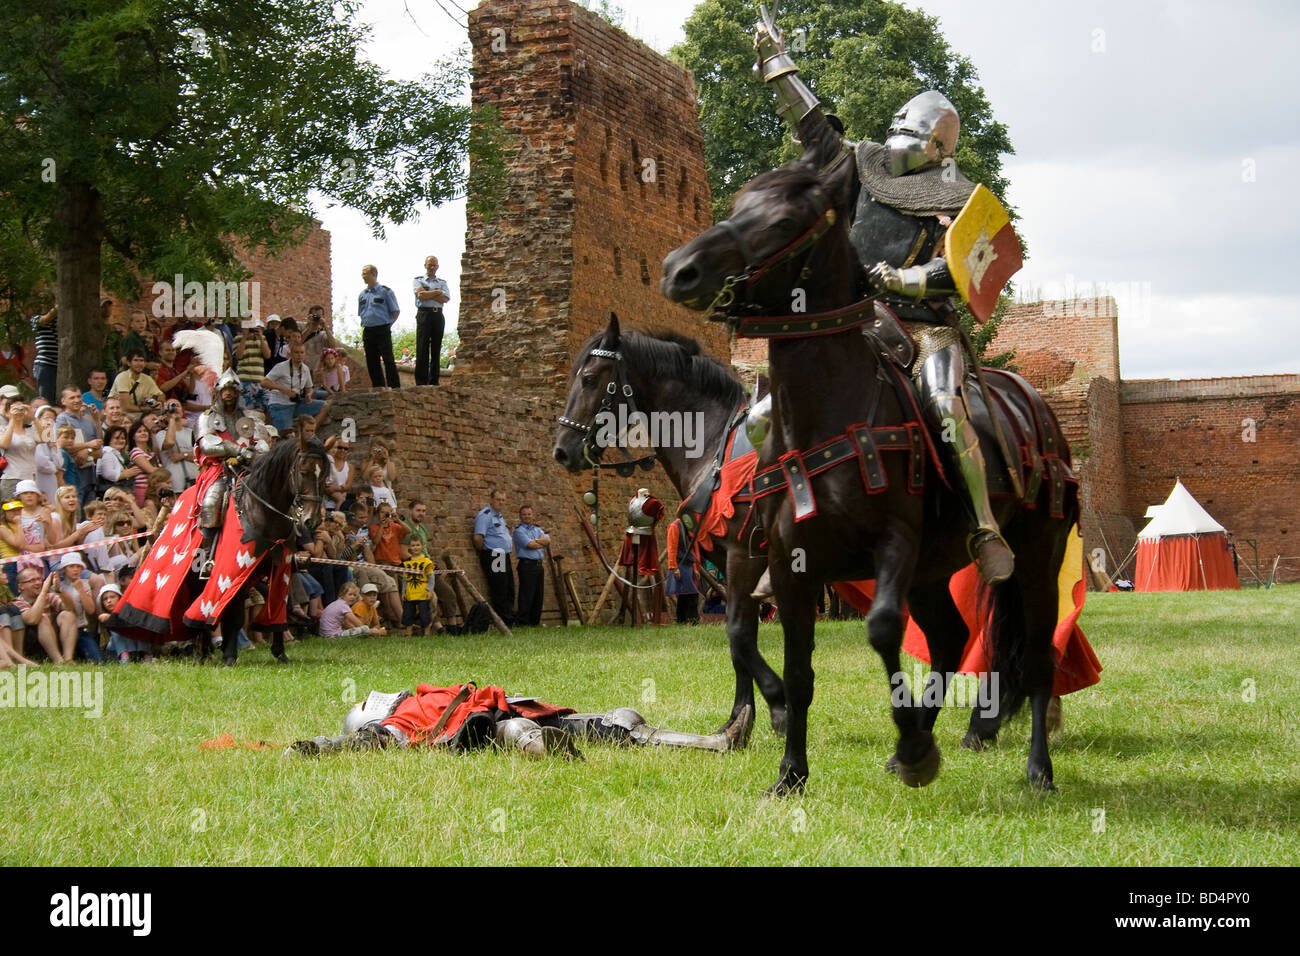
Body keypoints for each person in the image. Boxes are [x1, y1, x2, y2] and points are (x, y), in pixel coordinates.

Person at [752, 13, 1012, 584]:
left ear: (938, 146)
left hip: (925, 330)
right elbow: (812, 127)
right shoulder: (862, 164)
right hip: (856, 322)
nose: (896, 146)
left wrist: (899, 279)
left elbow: (964, 275)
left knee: (944, 406)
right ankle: (776, 522)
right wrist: (776, 62)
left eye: (912, 138)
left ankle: (983, 524)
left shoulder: (962, 198)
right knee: (764, 413)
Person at [289, 683, 754, 758]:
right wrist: (319, 745)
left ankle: (716, 743)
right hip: (491, 723)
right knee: (511, 732)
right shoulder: (394, 723)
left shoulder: (424, 696)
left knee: (620, 720)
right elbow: (367, 743)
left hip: (504, 708)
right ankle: (542, 747)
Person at [193, 370, 256, 576]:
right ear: (218, 392)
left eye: (232, 391)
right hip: (218, 468)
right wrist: (237, 450)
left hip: (248, 467)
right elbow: (207, 445)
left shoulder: (247, 418)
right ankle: (205, 556)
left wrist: (257, 450)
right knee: (213, 500)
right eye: (225, 390)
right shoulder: (207, 417)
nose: (229, 394)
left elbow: (261, 439)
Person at [261, 342, 325, 433]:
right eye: (296, 352)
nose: (299, 355)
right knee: (287, 435)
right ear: (290, 354)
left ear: (305, 354)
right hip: (280, 405)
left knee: (324, 406)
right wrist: (283, 389)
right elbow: (264, 382)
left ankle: (310, 432)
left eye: (302, 352)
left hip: (296, 403)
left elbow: (309, 387)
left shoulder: (305, 369)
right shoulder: (281, 367)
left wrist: (309, 395)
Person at [474, 489, 514, 625]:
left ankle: (509, 618)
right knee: (500, 588)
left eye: (503, 500)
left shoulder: (499, 516)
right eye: (498, 499)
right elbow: (478, 538)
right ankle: (503, 622)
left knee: (509, 587)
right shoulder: (485, 515)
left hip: (504, 555)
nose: (501, 502)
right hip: (495, 555)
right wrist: (486, 552)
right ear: (491, 500)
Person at [357, 264, 401, 389]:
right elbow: (361, 313)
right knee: (371, 361)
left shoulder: (385, 291)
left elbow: (395, 311)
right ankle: (378, 386)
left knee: (388, 359)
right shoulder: (362, 295)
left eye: (365, 273)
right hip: (368, 330)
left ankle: (394, 387)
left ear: (373, 274)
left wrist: (388, 325)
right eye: (362, 273)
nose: (363, 276)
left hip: (382, 329)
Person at [412, 255, 450, 386]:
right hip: (424, 314)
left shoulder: (442, 282)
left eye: (434, 265)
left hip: (437, 315)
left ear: (437, 267)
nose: (432, 267)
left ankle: (434, 380)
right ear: (425, 265)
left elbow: (445, 299)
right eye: (430, 265)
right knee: (422, 347)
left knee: (436, 348)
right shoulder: (418, 280)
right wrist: (437, 292)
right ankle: (421, 381)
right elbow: (421, 296)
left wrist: (429, 293)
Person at [512, 505, 550, 627]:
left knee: (538, 595)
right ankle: (523, 623)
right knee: (526, 595)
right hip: (527, 566)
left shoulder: (537, 529)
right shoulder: (519, 531)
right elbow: (530, 545)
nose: (527, 516)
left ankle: (534, 622)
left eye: (529, 514)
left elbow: (548, 541)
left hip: (539, 566)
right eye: (524, 514)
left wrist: (536, 541)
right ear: (520, 516)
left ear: (532, 515)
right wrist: (540, 542)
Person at [664, 517, 700, 625]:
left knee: (684, 595)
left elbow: (690, 549)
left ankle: (682, 621)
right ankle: (692, 621)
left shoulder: (687, 527)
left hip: (687, 565)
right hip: (680, 565)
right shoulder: (675, 526)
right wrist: (674, 567)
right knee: (691, 594)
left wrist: (695, 568)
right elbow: (672, 548)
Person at [319, 582, 385, 639]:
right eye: (350, 594)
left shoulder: (337, 603)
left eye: (354, 595)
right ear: (342, 594)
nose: (352, 597)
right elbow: (356, 622)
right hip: (333, 636)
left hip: (324, 634)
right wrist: (369, 631)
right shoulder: (344, 606)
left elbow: (346, 623)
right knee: (365, 629)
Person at [111, 349, 165, 415]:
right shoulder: (122, 377)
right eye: (136, 360)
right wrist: (148, 409)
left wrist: (153, 397)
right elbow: (125, 407)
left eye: (141, 360)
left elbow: (162, 397)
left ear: (145, 363)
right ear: (129, 363)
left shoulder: (147, 378)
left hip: (139, 415)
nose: (139, 364)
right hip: (121, 415)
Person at [30, 306, 59, 404]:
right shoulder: (36, 319)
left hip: (59, 365)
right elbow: (45, 319)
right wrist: (58, 306)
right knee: (46, 399)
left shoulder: (60, 321)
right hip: (45, 364)